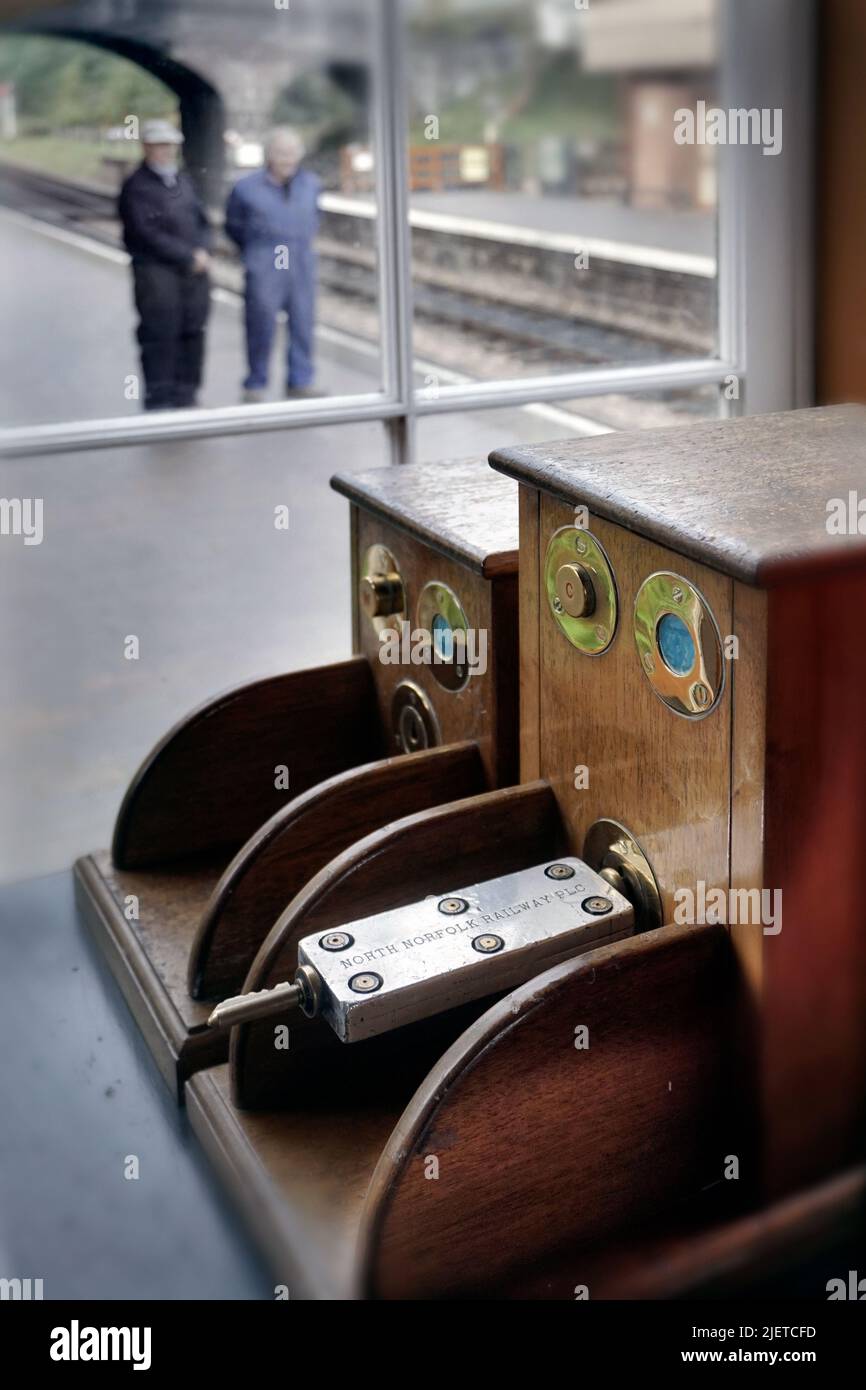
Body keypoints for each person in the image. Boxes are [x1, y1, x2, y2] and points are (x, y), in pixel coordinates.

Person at [118, 119, 212, 410]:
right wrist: (187, 255)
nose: (166, 151)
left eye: (170, 145)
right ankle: (159, 396)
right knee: (160, 332)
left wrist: (204, 251)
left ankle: (187, 393)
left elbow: (202, 220)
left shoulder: (182, 180)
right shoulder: (136, 186)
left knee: (192, 330)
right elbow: (144, 232)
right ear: (146, 147)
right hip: (156, 272)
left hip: (192, 273)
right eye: (159, 145)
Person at [225, 127, 322, 402]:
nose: (287, 159)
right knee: (261, 322)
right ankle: (255, 382)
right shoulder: (246, 188)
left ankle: (300, 380)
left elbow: (316, 216)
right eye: (281, 153)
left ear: (300, 154)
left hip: (300, 258)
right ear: (269, 154)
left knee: (303, 322)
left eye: (292, 153)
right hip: (267, 257)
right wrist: (256, 251)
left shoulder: (311, 184)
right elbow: (234, 226)